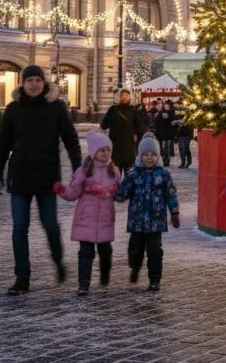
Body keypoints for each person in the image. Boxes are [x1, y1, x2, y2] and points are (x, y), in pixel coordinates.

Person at [0, 64, 82, 295]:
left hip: (47, 178)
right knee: (20, 228)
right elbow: (2, 145)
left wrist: (78, 171)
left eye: (37, 80)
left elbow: (71, 140)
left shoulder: (57, 108)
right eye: (29, 80)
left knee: (50, 224)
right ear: (23, 83)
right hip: (19, 177)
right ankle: (22, 277)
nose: (33, 84)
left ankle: (58, 260)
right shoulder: (13, 109)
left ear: (44, 83)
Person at [54, 129, 121, 295]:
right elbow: (73, 193)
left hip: (105, 219)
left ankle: (105, 274)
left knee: (106, 250)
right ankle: (83, 284)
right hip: (86, 219)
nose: (105, 153)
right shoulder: (83, 171)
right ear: (93, 152)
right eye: (101, 150)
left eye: (107, 150)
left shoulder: (114, 171)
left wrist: (122, 192)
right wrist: (61, 190)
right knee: (85, 252)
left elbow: (120, 192)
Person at [116, 133, 180, 291]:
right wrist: (117, 194)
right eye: (146, 154)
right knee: (135, 250)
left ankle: (154, 280)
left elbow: (171, 194)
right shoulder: (133, 174)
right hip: (137, 222)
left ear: (157, 156)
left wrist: (174, 212)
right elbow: (124, 191)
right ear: (140, 155)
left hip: (156, 222)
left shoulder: (164, 175)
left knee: (154, 253)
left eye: (153, 155)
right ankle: (135, 267)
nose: (149, 158)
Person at [100, 88, 145, 172]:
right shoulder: (113, 109)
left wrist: (135, 134)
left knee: (129, 174)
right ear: (119, 97)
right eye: (122, 95)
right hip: (115, 147)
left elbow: (140, 127)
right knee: (115, 174)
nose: (124, 97)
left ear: (130, 97)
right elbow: (104, 125)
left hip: (129, 147)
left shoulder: (133, 110)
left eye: (126, 95)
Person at [154, 100, 177, 167]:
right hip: (161, 133)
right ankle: (164, 160)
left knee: (166, 148)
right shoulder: (160, 113)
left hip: (167, 134)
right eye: (165, 105)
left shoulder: (171, 113)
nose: (166, 107)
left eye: (167, 106)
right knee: (162, 148)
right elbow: (157, 123)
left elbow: (172, 123)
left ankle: (166, 161)